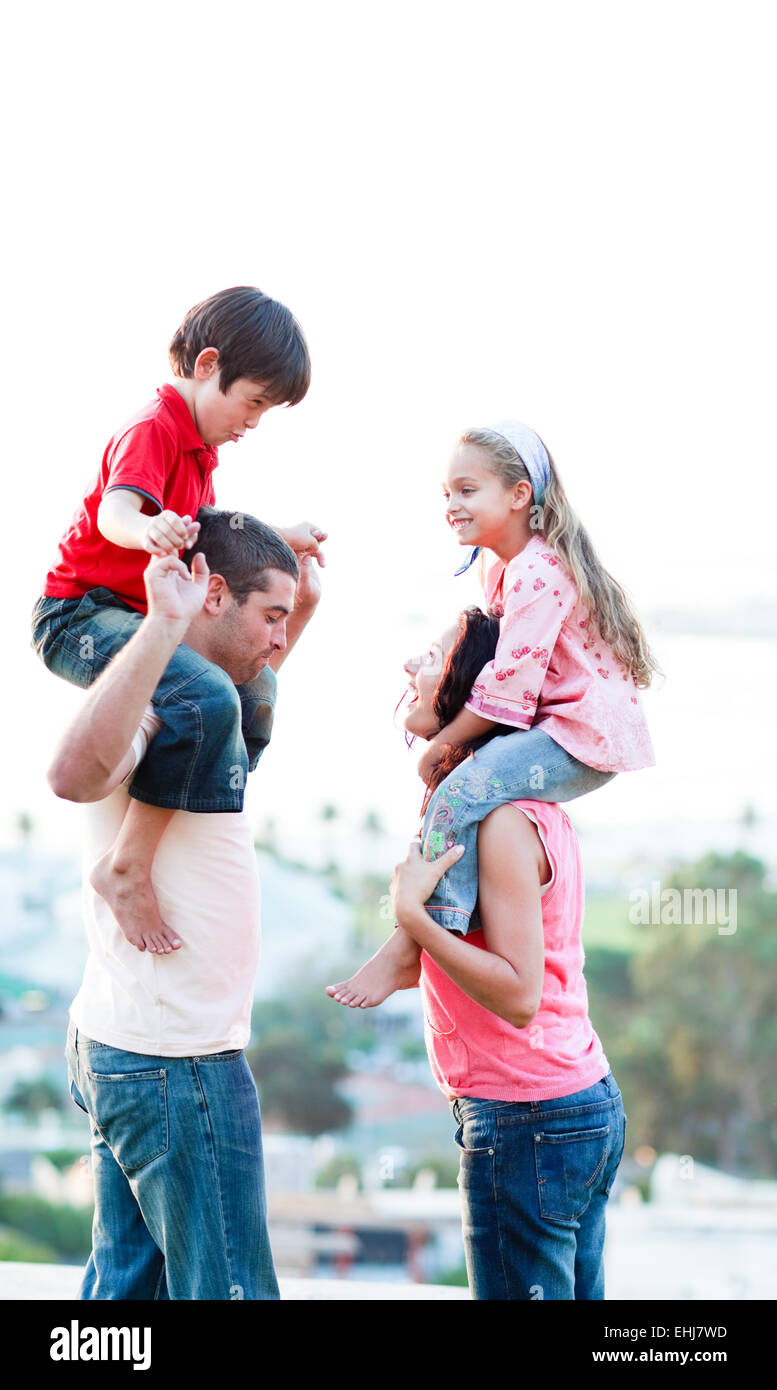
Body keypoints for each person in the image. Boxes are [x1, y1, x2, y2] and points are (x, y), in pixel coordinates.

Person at [48, 508, 320, 1300]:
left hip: (139, 1043)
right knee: (229, 1291)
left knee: (126, 1305)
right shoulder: (157, 703)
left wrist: (302, 603)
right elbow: (69, 776)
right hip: (176, 1063)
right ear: (209, 598)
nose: (281, 635)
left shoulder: (205, 713)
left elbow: (242, 686)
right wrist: (160, 624)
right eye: (271, 615)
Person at [330, 609, 626, 1300]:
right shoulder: (520, 808)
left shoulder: (499, 822)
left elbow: (520, 994)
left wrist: (416, 925)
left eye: (431, 656)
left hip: (528, 1118)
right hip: (568, 1104)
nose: (412, 666)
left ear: (477, 692)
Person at [32, 285, 326, 956]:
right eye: (253, 400)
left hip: (136, 618)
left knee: (255, 694)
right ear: (206, 365)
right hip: (79, 615)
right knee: (202, 692)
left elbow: (208, 535)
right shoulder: (154, 428)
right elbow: (115, 514)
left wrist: (283, 535)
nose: (254, 420)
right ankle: (127, 864)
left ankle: (198, 786)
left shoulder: (201, 452)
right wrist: (147, 528)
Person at [330, 418, 657, 1004]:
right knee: (461, 788)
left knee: (458, 787)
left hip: (581, 737)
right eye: (446, 494)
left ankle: (419, 940)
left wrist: (443, 745)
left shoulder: (538, 569)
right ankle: (432, 927)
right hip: (554, 725)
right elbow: (490, 662)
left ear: (519, 494)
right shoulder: (498, 565)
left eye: (466, 490)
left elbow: (510, 688)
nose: (451, 505)